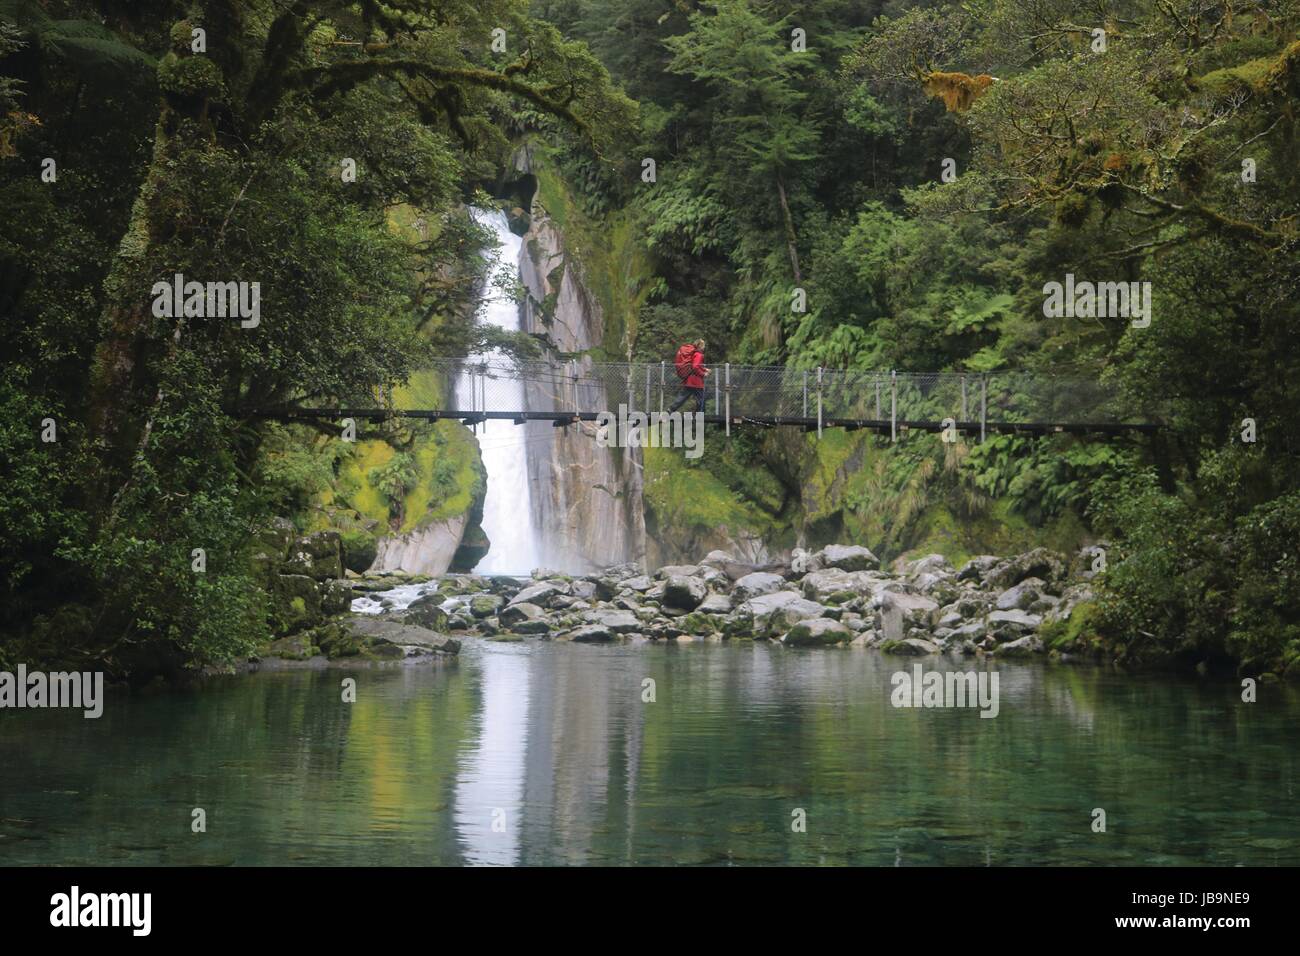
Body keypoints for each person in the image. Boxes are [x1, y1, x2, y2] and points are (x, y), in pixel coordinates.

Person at [669, 339, 709, 413]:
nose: (704, 347)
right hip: (696, 382)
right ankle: (700, 414)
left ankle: (670, 410)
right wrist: (703, 374)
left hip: (689, 380)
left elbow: (694, 365)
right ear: (700, 346)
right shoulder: (699, 355)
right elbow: (695, 367)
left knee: (683, 396)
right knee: (702, 398)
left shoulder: (693, 354)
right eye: (704, 346)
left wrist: (704, 369)